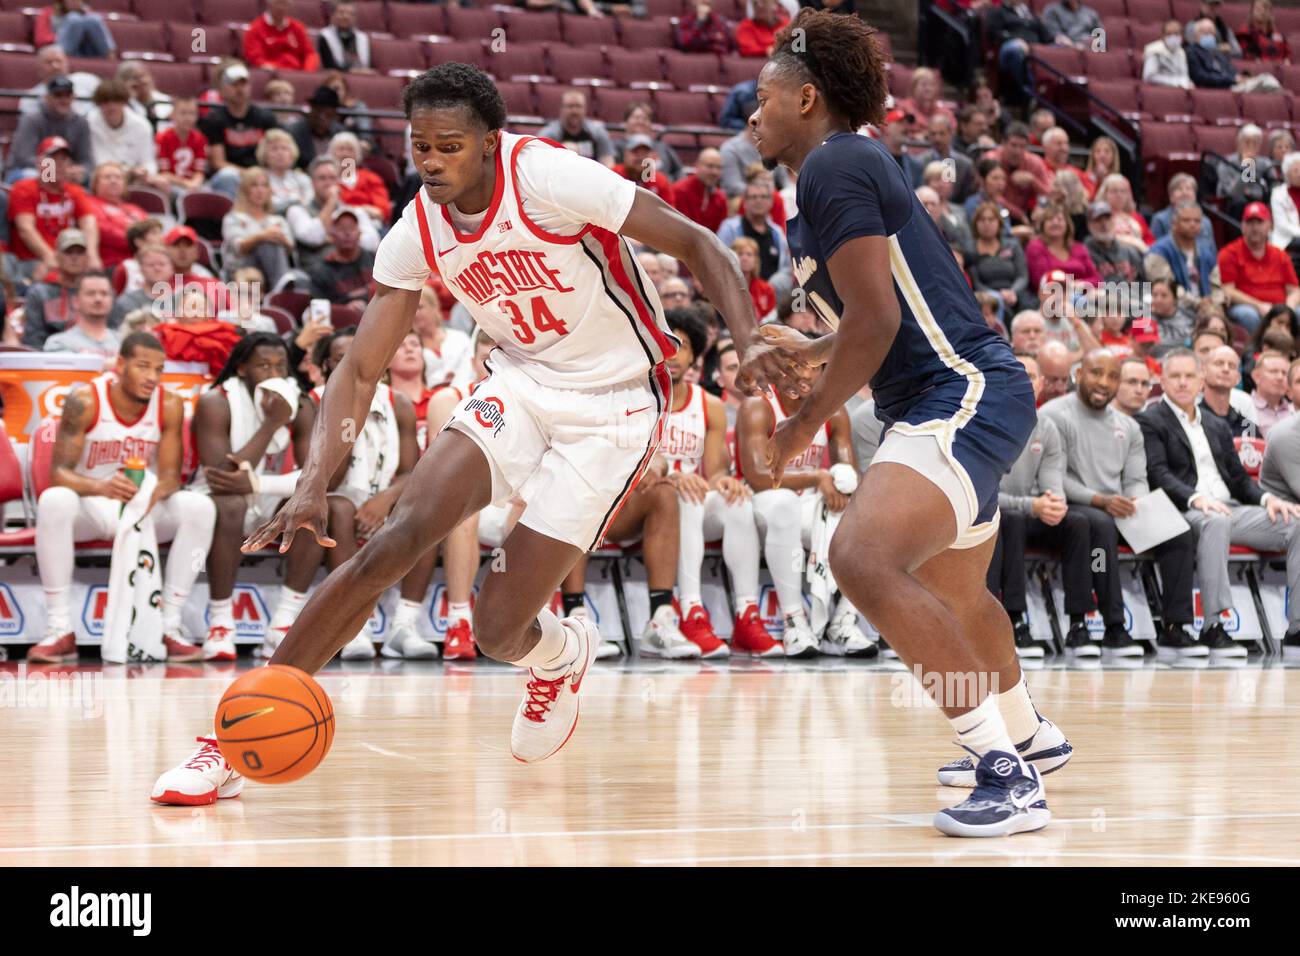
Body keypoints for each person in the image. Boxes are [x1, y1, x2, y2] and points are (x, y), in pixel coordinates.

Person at [150, 61, 799, 803]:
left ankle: (559, 654)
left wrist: (747, 339)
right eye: (419, 144)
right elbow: (359, 369)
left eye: (448, 145)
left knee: (496, 631)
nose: (430, 160)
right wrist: (310, 482)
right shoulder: (419, 227)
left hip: (617, 402)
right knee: (393, 539)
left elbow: (697, 244)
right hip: (520, 382)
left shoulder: (550, 177)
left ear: (491, 141)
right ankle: (229, 742)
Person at [748, 10, 1075, 836]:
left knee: (860, 555)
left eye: (763, 97)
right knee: (956, 594)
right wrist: (817, 348)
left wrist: (803, 423)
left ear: (808, 97)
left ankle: (1003, 774)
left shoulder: (836, 163)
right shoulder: (825, 178)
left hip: (957, 391)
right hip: (950, 395)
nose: (750, 115)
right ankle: (1028, 737)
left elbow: (881, 323)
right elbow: (876, 315)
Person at [27, 332, 215, 664]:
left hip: (143, 507)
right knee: (54, 500)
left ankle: (169, 625)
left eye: (158, 369)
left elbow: (172, 475)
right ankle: (59, 629)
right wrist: (101, 487)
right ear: (120, 364)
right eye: (143, 367)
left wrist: (151, 495)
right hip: (94, 504)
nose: (152, 378)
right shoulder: (84, 400)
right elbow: (59, 474)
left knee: (200, 508)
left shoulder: (169, 404)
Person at [1138, 348, 1300, 657]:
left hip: (1230, 509)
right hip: (1185, 510)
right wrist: (1196, 497)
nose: (1183, 383)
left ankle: (1297, 629)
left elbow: (1239, 480)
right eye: (1175, 376)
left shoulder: (1215, 425)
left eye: (1189, 376)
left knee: (1296, 523)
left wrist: (1269, 499)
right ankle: (1214, 625)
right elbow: (1157, 473)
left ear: (1201, 381)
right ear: (1161, 380)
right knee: (1215, 520)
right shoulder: (1151, 420)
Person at [1040, 349, 1198, 650]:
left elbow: (1136, 479)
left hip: (1117, 508)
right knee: (1099, 526)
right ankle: (1109, 624)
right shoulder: (1053, 415)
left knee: (1178, 531)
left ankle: (1176, 625)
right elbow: (1053, 477)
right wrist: (1100, 500)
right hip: (1076, 507)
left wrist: (1137, 502)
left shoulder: (1129, 426)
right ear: (1079, 375)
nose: (1104, 382)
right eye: (1096, 373)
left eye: (1113, 376)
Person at [658, 308, 785, 657]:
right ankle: (690, 609)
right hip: (651, 501)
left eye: (682, 346)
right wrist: (674, 476)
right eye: (666, 344)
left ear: (695, 354)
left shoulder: (709, 405)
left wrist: (724, 481)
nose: (673, 353)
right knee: (682, 493)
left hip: (694, 504)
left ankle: (747, 614)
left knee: (738, 501)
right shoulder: (636, 398)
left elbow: (713, 471)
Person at [987, 352, 1094, 658]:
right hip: (989, 515)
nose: (1023, 380)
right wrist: (1030, 505)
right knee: (1012, 519)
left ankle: (1078, 625)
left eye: (1031, 376)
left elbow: (1052, 485)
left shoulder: (1046, 427)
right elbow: (983, 493)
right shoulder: (982, 420)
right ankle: (1015, 620)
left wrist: (1054, 504)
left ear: (1042, 384)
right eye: (1014, 372)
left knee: (1078, 522)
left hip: (1029, 512)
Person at [7, 139, 99, 280]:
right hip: (33, 260)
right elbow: (26, 229)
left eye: (63, 160)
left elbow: (89, 224)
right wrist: (49, 257)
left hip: (70, 259)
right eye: (52, 160)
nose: (58, 165)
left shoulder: (75, 191)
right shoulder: (23, 189)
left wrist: (92, 255)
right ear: (39, 164)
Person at [199, 64, 281, 200]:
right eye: (234, 85)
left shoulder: (265, 117)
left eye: (243, 84)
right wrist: (250, 174)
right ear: (223, 90)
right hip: (230, 179)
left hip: (261, 176)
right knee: (229, 175)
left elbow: (275, 151)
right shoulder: (214, 120)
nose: (239, 90)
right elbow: (218, 163)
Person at [287, 156, 380, 270]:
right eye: (322, 178)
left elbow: (373, 242)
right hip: (318, 274)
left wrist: (333, 238)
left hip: (353, 270)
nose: (328, 183)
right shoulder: (297, 210)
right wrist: (331, 202)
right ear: (313, 182)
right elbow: (313, 237)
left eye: (332, 178)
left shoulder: (352, 211)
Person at [1219, 202, 1300, 332]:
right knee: (1248, 315)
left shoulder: (1280, 255)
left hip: (1280, 307)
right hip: (1247, 307)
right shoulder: (1229, 253)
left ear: (1270, 225)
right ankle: (1254, 351)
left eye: (1259, 222)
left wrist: (1288, 308)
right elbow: (1227, 291)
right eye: (1250, 222)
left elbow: (1294, 290)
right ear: (1243, 226)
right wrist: (1258, 305)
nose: (1255, 228)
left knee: (1298, 312)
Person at [7, 77, 93, 185]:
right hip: (30, 170)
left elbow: (86, 161)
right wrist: (54, 169)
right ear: (47, 98)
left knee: (89, 179)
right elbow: (24, 157)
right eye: (58, 95)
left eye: (67, 95)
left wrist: (80, 171)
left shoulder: (81, 123)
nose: (63, 99)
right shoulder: (31, 120)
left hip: (66, 173)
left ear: (73, 97)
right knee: (33, 175)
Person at [221, 167, 296, 288]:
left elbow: (290, 249)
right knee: (266, 244)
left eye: (264, 185)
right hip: (241, 269)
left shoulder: (278, 220)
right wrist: (262, 236)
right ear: (245, 190)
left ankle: (281, 284)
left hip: (273, 267)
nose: (260, 190)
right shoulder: (233, 218)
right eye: (254, 186)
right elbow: (239, 248)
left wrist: (281, 239)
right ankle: (280, 286)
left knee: (302, 278)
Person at [717, 179, 791, 291]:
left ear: (771, 202)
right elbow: (719, 262)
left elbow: (786, 269)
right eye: (754, 197)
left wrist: (769, 289)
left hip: (770, 298)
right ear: (745, 202)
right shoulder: (729, 228)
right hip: (737, 293)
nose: (758, 201)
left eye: (763, 197)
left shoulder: (777, 233)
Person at [22, 228, 90, 348]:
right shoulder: (39, 293)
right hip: (49, 357)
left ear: (87, 257)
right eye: (68, 252)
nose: (74, 257)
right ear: (56, 255)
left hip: (90, 354)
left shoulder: (96, 292)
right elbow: (33, 339)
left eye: (80, 252)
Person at [1145, 202, 1219, 308]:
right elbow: (1168, 288)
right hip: (1173, 309)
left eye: (1197, 221)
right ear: (1174, 223)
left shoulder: (1206, 253)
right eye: (1186, 220)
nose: (1192, 224)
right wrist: (1198, 303)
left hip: (1206, 308)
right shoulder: (1158, 252)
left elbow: (1217, 285)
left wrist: (1216, 303)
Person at [306, 208, 374, 318]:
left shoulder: (374, 259)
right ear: (332, 235)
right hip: (342, 326)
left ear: (360, 233)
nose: (347, 233)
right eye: (341, 229)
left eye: (352, 228)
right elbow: (318, 310)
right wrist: (345, 310)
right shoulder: (321, 271)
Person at [86, 80, 157, 184]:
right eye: (106, 102)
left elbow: (148, 162)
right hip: (101, 180)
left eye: (116, 101)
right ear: (99, 104)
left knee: (161, 183)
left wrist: (145, 172)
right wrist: (126, 170)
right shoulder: (88, 124)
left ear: (124, 102)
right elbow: (95, 163)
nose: (111, 107)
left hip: (134, 180)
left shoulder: (142, 126)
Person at [84, 163, 147, 272]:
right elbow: (104, 231)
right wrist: (137, 240)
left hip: (143, 265)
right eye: (107, 177)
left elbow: (151, 230)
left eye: (118, 177)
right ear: (95, 184)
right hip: (112, 265)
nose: (113, 181)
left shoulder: (135, 209)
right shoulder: (89, 204)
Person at [537, 89, 615, 166]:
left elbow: (608, 161)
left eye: (578, 106)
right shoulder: (548, 134)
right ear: (561, 109)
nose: (574, 111)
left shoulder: (598, 132)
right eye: (570, 106)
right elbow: (540, 162)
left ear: (585, 109)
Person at [18, 45, 99, 118]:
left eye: (59, 61)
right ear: (39, 69)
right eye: (49, 62)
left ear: (67, 64)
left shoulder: (88, 80)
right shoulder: (30, 99)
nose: (55, 66)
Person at [328, 131, 391, 223]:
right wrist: (364, 209)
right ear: (331, 153)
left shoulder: (371, 178)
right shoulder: (325, 178)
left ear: (358, 154)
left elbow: (381, 212)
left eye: (350, 149)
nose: (345, 154)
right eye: (340, 149)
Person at [1217, 125, 1275, 220]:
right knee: (1240, 204)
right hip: (1234, 205)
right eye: (1247, 143)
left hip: (1260, 202)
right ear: (1239, 143)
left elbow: (1272, 187)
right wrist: (1248, 165)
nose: (1251, 147)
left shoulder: (1265, 163)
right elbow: (1233, 193)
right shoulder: (1226, 163)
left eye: (1255, 143)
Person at [244, 0, 321, 72]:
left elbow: (310, 54)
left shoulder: (297, 27)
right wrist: (267, 67)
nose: (281, 8)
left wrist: (306, 72)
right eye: (278, 3)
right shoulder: (256, 27)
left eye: (285, 3)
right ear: (269, 3)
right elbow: (255, 57)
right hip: (271, 74)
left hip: (297, 73)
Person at [1201, 343, 1260, 435]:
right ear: (1203, 371)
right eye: (1219, 363)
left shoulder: (1248, 427)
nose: (1226, 369)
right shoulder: (1191, 420)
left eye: (1232, 366)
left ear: (1238, 378)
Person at [617, 102, 684, 182]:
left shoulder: (662, 147)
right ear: (625, 123)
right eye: (636, 118)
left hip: (662, 189)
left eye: (645, 118)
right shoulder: (616, 147)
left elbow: (679, 171)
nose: (640, 122)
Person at [1084, 200, 1145, 287]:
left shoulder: (1129, 250)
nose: (1104, 224)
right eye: (1098, 220)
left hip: (1135, 297)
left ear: (1113, 221)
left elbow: (1144, 282)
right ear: (1089, 224)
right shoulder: (1085, 252)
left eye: (1107, 219)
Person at [154, 97, 207, 196]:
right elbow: (163, 173)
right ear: (172, 115)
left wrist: (195, 183)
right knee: (181, 194)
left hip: (193, 184)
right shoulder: (162, 138)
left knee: (209, 193)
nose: (188, 118)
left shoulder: (200, 138)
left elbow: (200, 172)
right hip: (172, 184)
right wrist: (185, 184)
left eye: (192, 113)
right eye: (183, 113)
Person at [282, 87, 343, 173]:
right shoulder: (293, 132)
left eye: (327, 114)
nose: (322, 117)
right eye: (318, 112)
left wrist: (346, 181)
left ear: (334, 115)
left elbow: (350, 167)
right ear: (311, 111)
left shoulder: (342, 134)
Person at [671, 148, 727, 233]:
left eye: (718, 167)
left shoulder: (721, 198)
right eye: (710, 166)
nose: (714, 172)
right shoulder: (680, 191)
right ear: (697, 166)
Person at [35, 0, 115, 59]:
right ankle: (60, 60)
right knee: (74, 18)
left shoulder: (88, 15)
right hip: (62, 50)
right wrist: (63, 35)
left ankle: (110, 57)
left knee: (94, 19)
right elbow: (40, 40)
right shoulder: (48, 12)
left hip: (88, 51)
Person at [257, 130, 312, 215]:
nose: (280, 153)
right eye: (274, 149)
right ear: (265, 154)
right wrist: (295, 202)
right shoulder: (259, 179)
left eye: (284, 148)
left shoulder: (302, 178)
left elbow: (310, 204)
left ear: (292, 153)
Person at [1151, 173, 1214, 245]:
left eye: (1189, 189)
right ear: (1171, 197)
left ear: (1195, 196)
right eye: (1179, 189)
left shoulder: (1206, 221)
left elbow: (1212, 251)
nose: (1185, 192)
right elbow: (1156, 249)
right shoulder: (1160, 219)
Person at [613, 135, 675, 203]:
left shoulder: (660, 181)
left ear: (652, 156)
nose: (640, 157)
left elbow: (667, 211)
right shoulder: (614, 175)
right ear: (625, 154)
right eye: (635, 152)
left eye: (645, 153)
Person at [317, 0, 373, 72]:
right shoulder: (324, 36)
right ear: (332, 15)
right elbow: (329, 66)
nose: (345, 16)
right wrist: (352, 71)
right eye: (341, 12)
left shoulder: (362, 37)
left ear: (355, 17)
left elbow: (368, 65)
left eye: (350, 13)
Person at [116, 60, 172, 131]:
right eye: (135, 78)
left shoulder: (166, 100)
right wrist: (129, 97)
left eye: (143, 76)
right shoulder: (122, 106)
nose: (141, 81)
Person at [1251, 349, 1293, 435]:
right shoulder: (1243, 409)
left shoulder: (1295, 412)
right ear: (1256, 376)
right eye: (1274, 371)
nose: (1280, 377)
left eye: (1284, 373)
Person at [1271, 154, 1300, 276]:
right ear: (1287, 174)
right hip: (1287, 239)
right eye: (1296, 171)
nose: (1299, 174)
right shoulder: (1278, 194)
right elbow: (1282, 225)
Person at [1144, 19, 1194, 88]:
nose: (1173, 37)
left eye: (1176, 34)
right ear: (1163, 36)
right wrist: (1176, 82)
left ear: (1182, 36)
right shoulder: (1154, 50)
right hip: (1159, 90)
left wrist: (1187, 82)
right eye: (1169, 34)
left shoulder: (1181, 52)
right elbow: (1149, 77)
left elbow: (1184, 75)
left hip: (1178, 90)